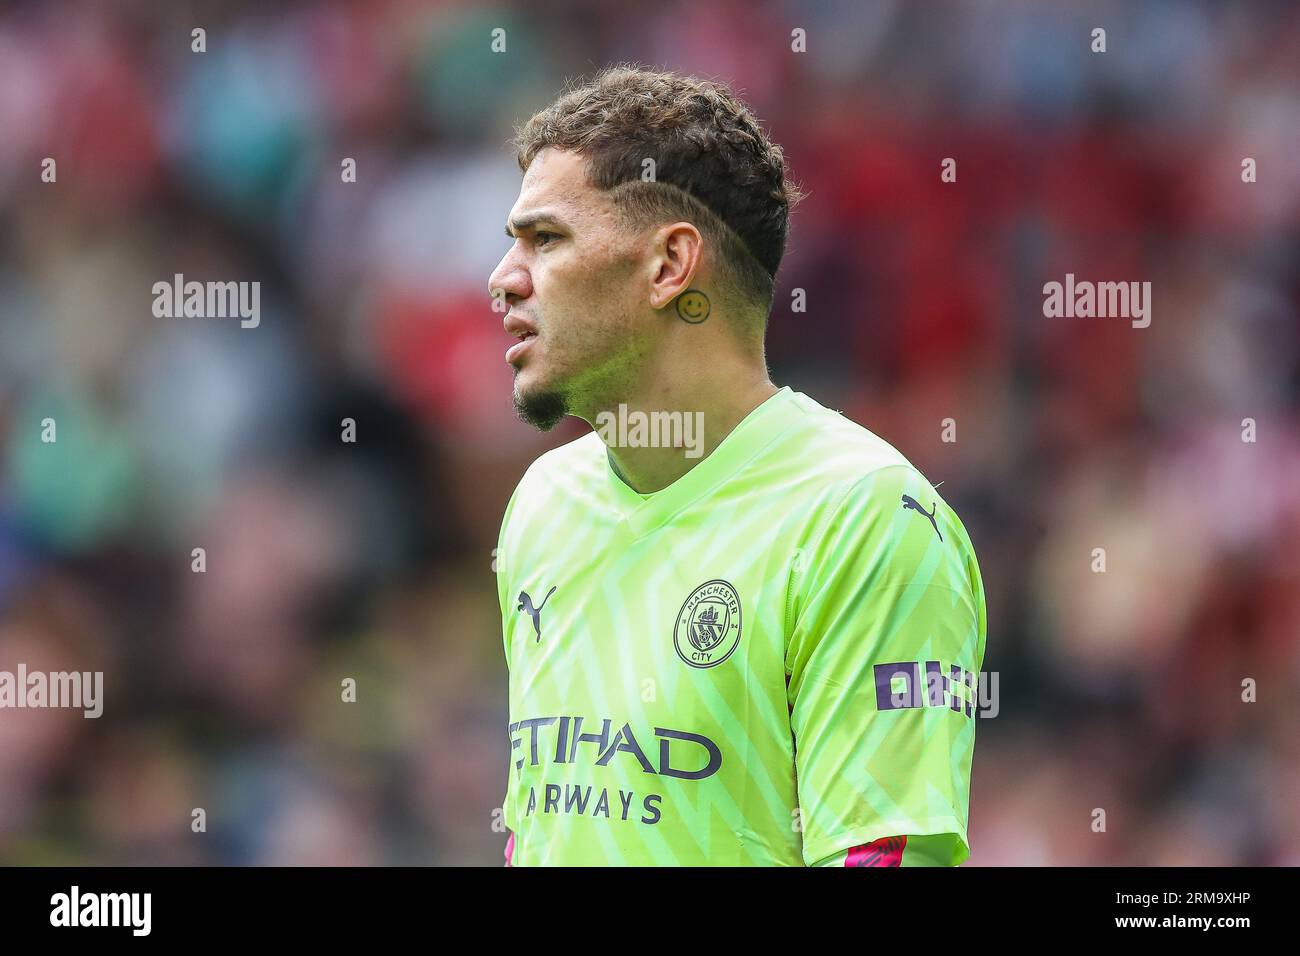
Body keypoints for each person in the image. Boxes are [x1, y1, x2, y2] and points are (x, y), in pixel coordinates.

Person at [487, 65, 986, 866]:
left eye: (545, 239)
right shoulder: (543, 505)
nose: (503, 278)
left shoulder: (861, 518)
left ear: (668, 266)